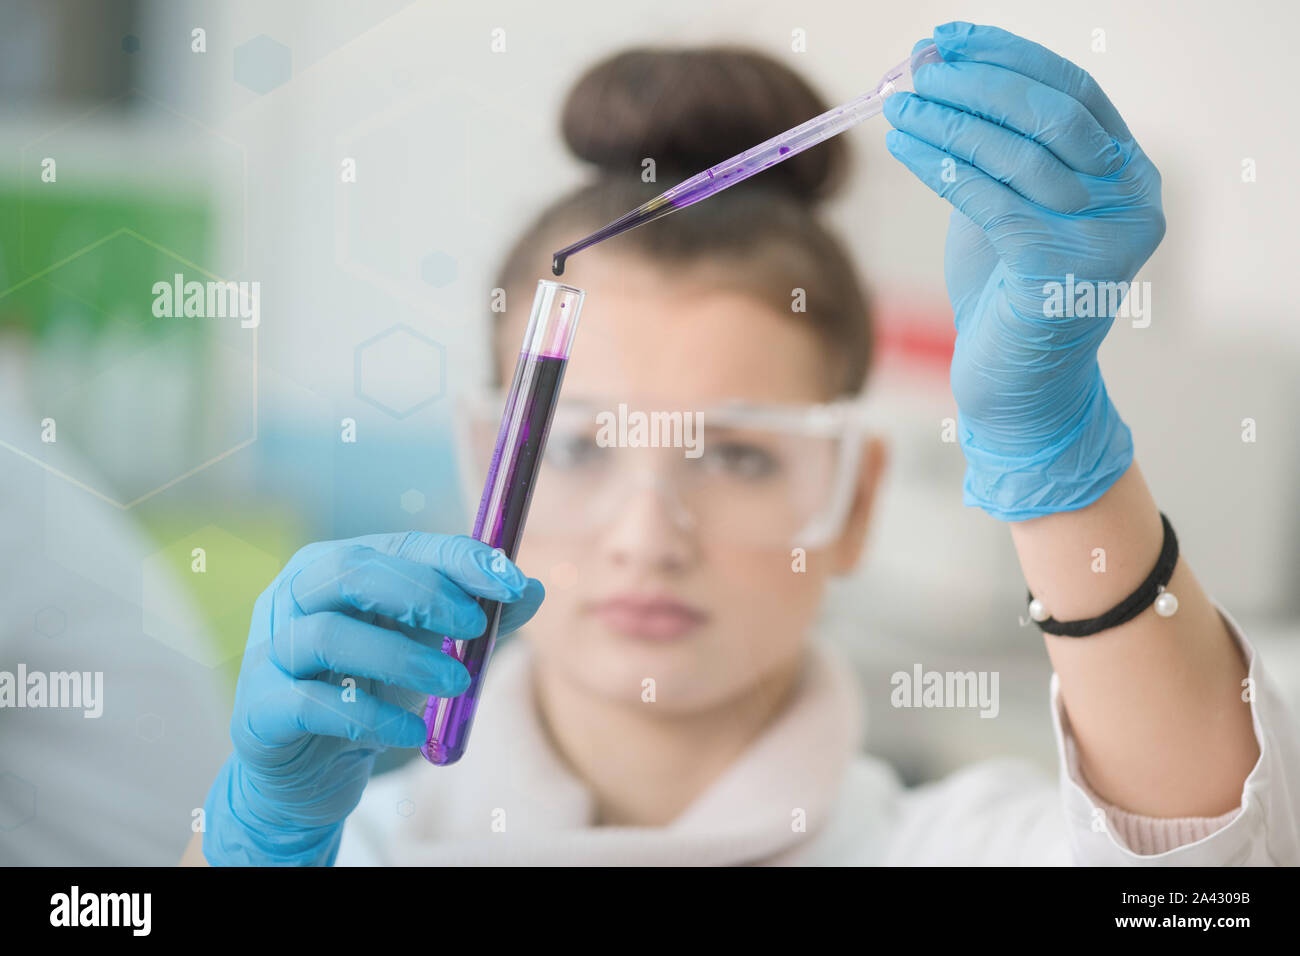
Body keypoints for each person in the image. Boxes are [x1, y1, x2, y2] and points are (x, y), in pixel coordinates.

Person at [186, 22, 1300, 866]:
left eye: (737, 454)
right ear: (489, 466)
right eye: (577, 448)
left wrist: (1053, 445)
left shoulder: (965, 843)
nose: (646, 536)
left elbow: (1206, 885)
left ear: (855, 496)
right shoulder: (353, 843)